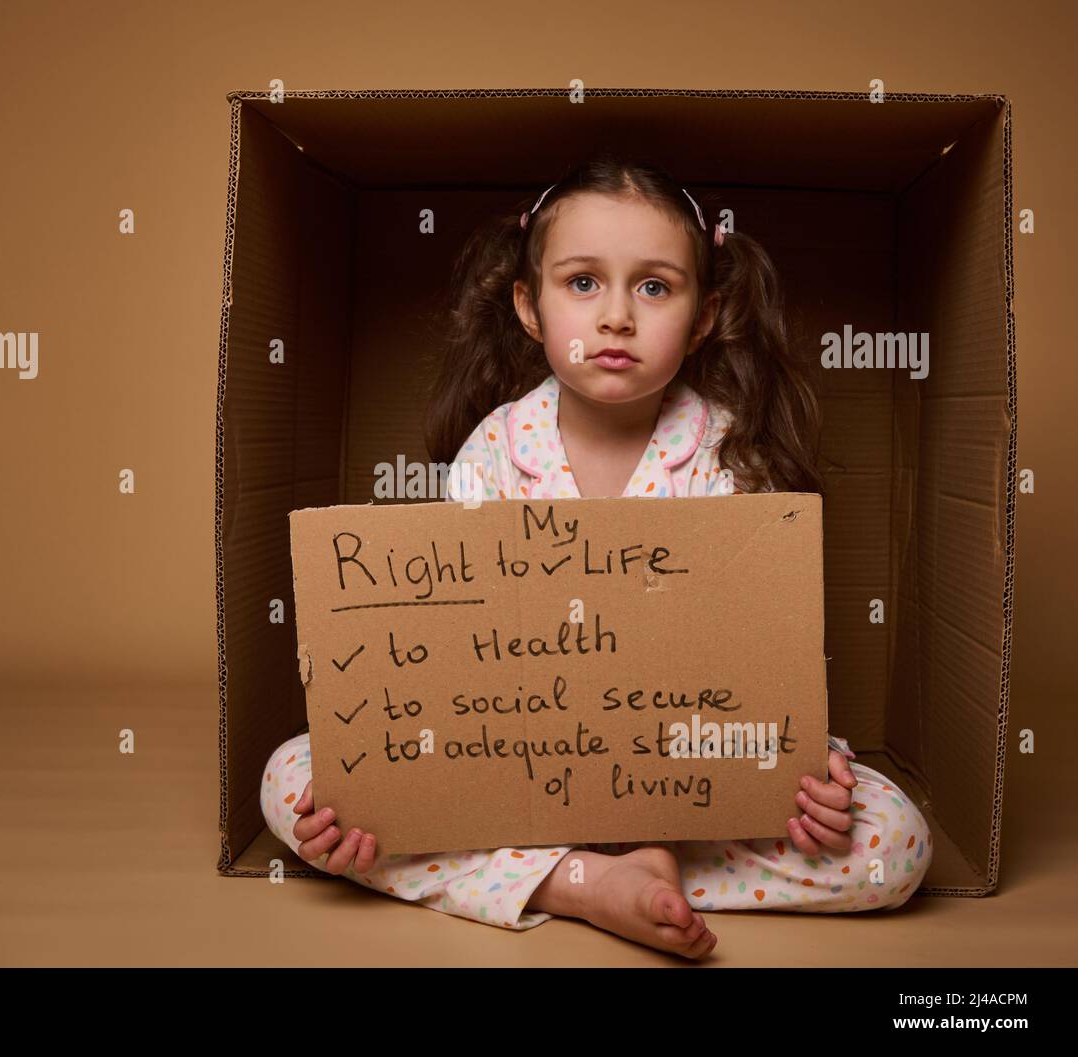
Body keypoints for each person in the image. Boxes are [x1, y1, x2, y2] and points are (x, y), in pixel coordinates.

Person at [260, 150, 932, 959]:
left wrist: (808, 767)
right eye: (583, 283)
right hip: (513, 772)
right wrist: (388, 786)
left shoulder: (731, 457)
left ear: (706, 314)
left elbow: (768, 664)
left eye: (655, 286)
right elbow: (450, 658)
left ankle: (630, 867)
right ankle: (584, 882)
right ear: (530, 307)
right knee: (295, 779)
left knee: (895, 838)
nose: (617, 316)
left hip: (689, 782)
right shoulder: (496, 450)